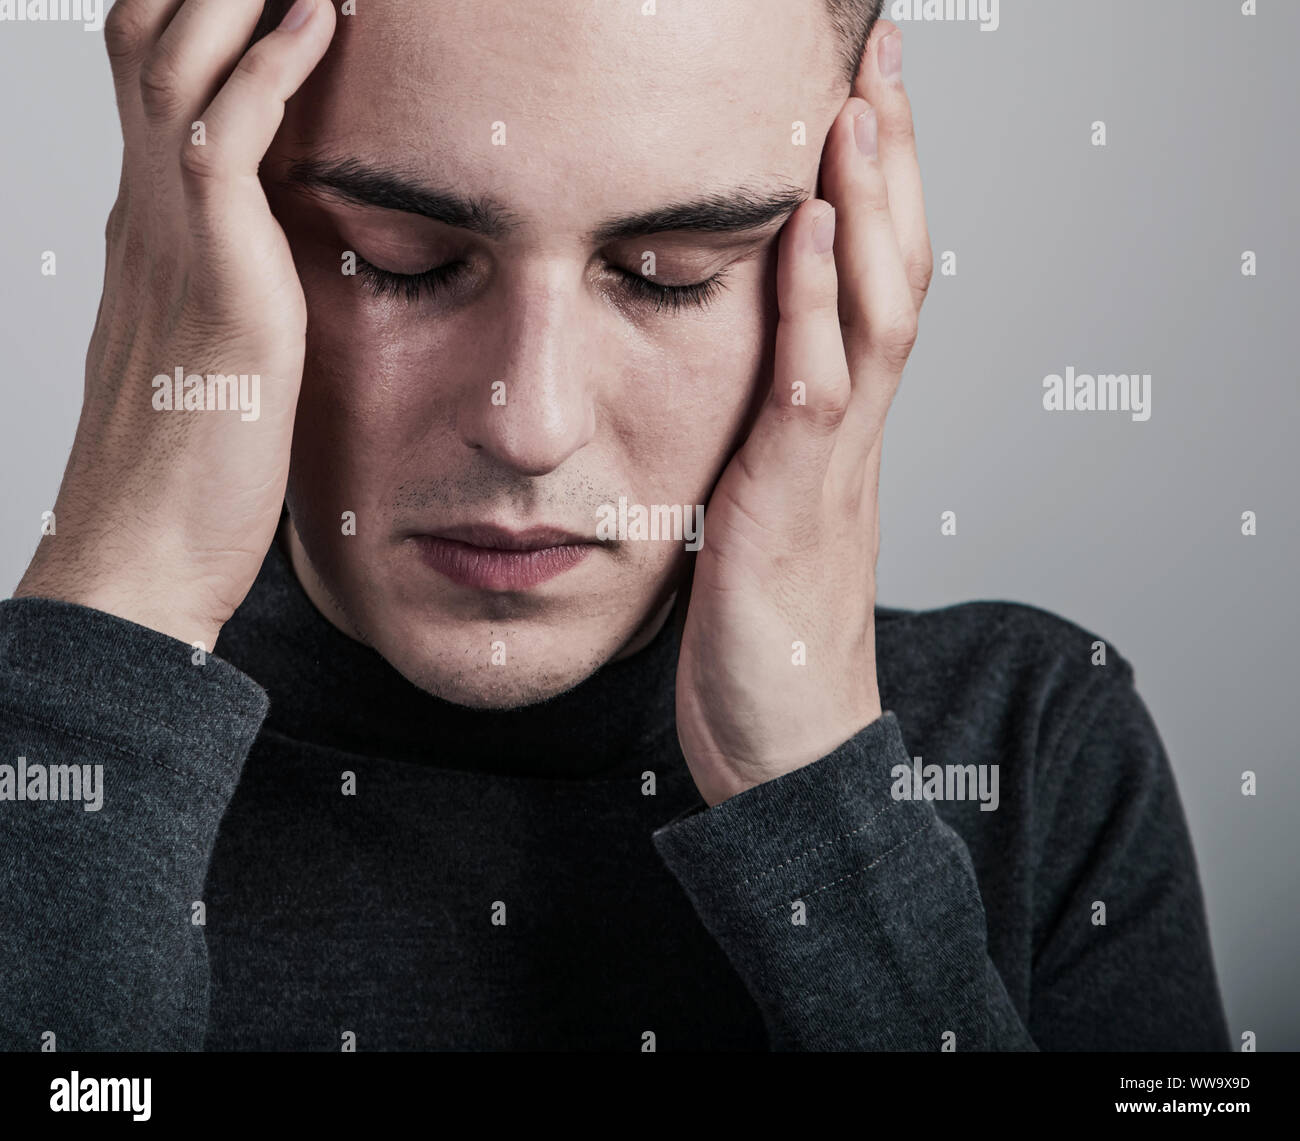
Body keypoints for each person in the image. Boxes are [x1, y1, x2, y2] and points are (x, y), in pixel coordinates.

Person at [0, 0, 1228, 1050]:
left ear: (859, 262)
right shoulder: (43, 766)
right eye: (403, 257)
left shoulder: (1037, 743)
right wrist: (118, 610)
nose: (529, 424)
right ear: (196, 239)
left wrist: (820, 815)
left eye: (670, 274)